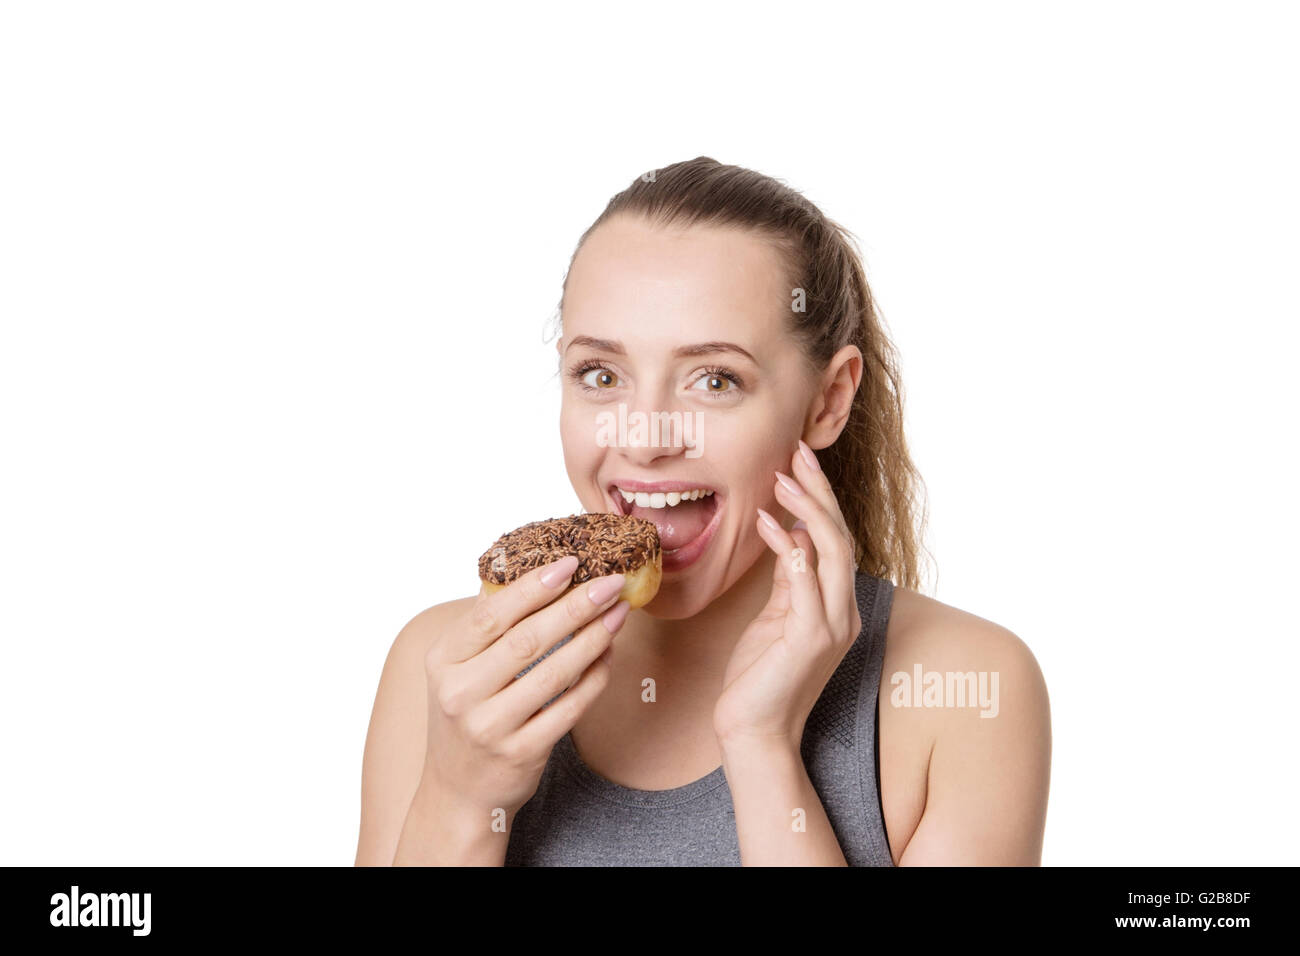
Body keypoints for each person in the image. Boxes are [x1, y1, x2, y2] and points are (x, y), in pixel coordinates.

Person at [354, 157, 1051, 866]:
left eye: (715, 380)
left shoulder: (966, 691)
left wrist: (761, 747)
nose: (646, 437)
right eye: (601, 375)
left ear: (828, 400)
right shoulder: (446, 672)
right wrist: (459, 799)